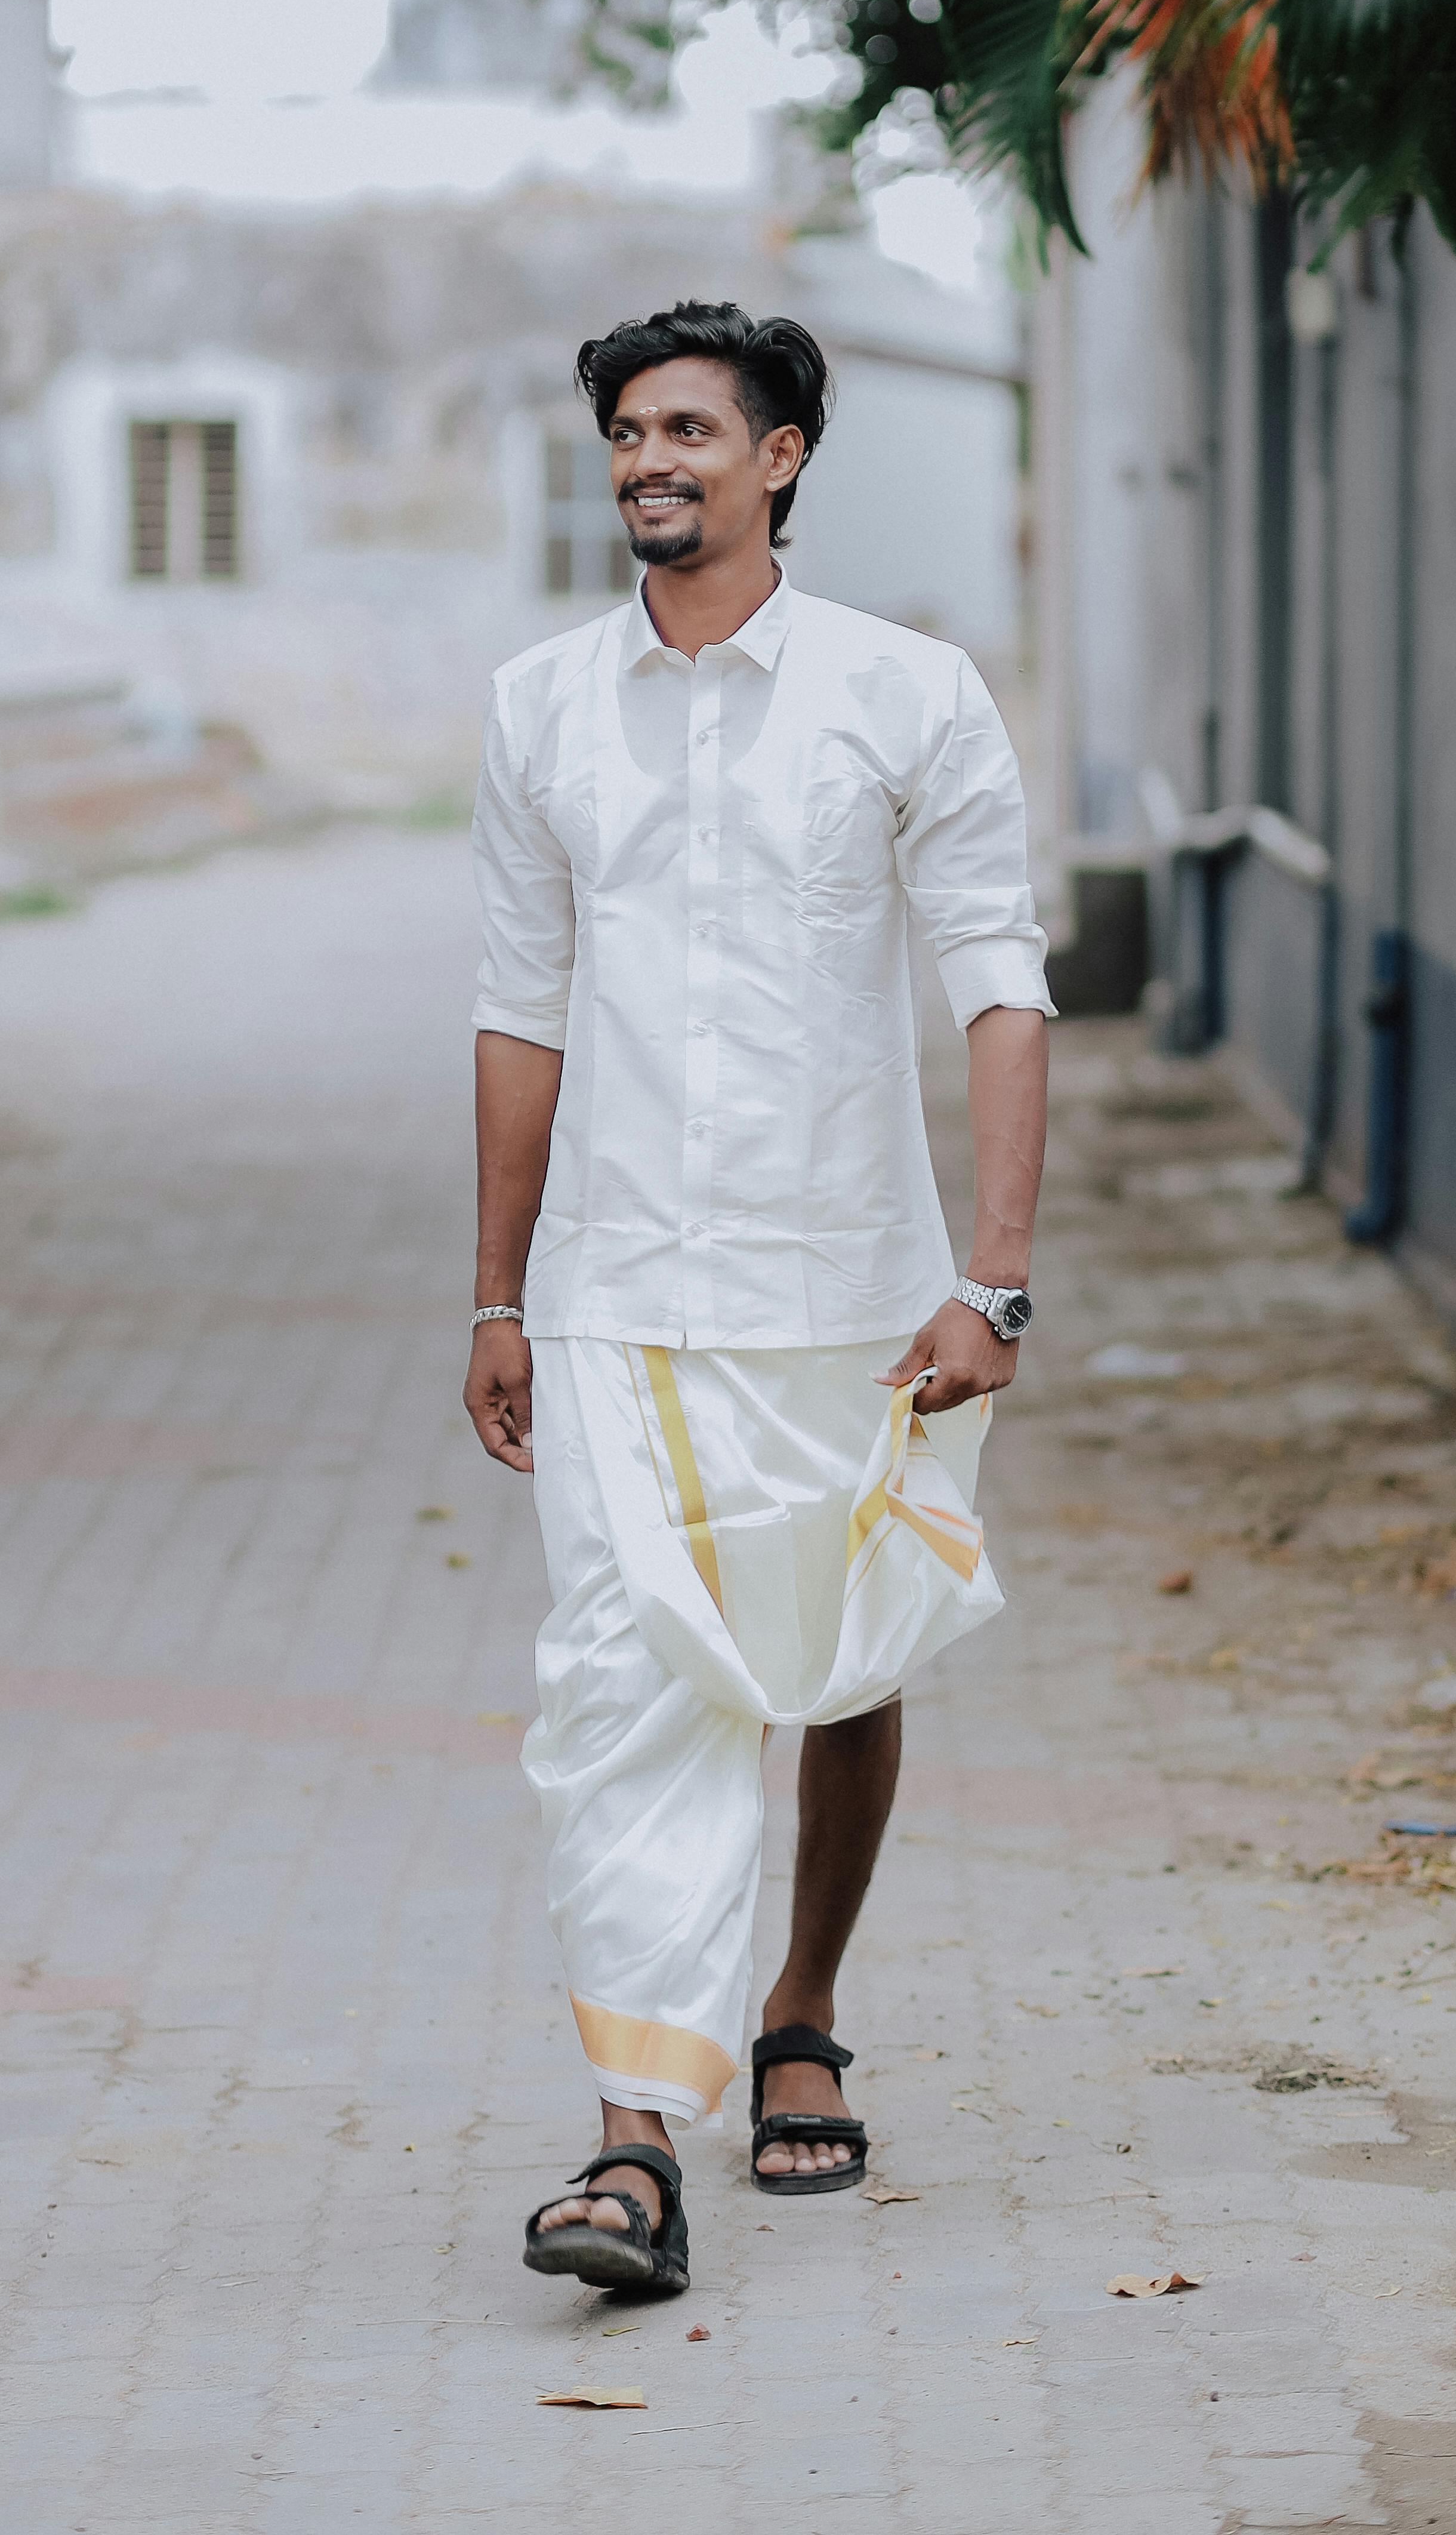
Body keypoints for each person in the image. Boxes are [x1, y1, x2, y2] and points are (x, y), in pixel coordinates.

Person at [464, 297, 1051, 2300]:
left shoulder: (907, 695)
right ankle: (636, 2145)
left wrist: (997, 1281)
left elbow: (1000, 982)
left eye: (690, 427)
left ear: (780, 456)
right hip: (619, 1293)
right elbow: (516, 1006)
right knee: (622, 1683)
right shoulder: (542, 705)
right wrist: (493, 1295)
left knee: (839, 1664)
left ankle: (801, 2001)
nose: (651, 458)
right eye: (628, 429)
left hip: (856, 1294)